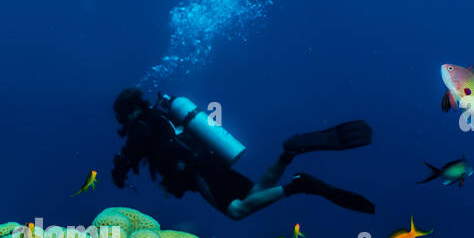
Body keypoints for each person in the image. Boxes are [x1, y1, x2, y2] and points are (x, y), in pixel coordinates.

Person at [110, 87, 375, 218]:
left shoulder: (140, 126)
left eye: (121, 114)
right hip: (212, 160)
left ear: (130, 110)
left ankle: (299, 185)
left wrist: (120, 170)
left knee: (237, 210)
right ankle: (288, 155)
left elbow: (133, 153)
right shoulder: (163, 115)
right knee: (253, 193)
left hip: (195, 170)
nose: (121, 120)